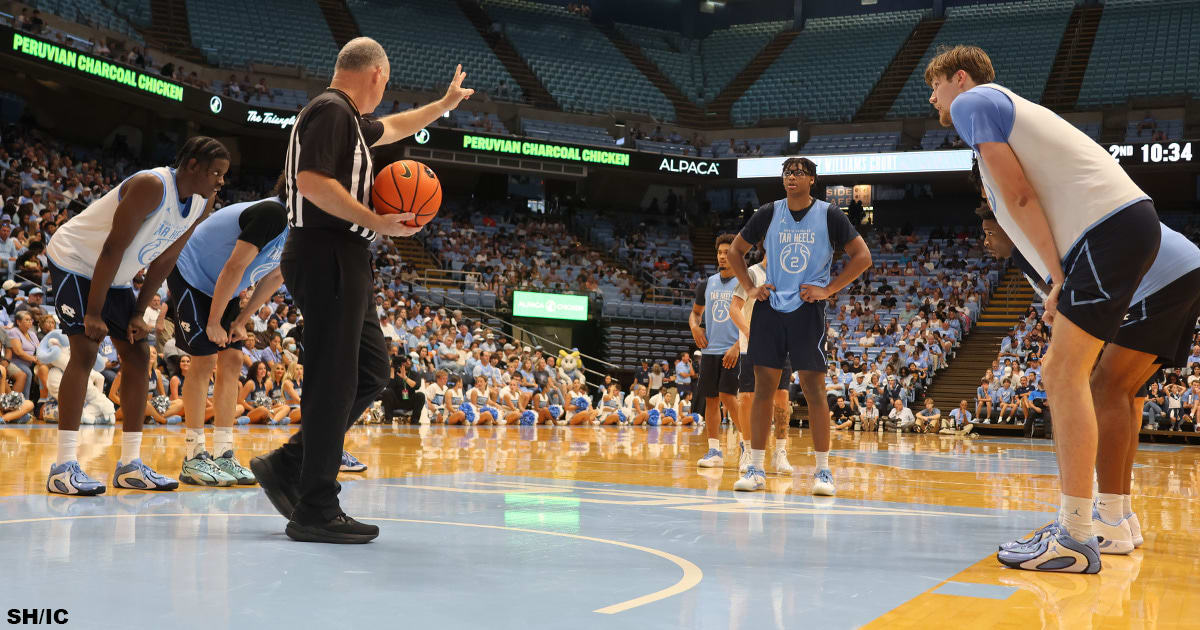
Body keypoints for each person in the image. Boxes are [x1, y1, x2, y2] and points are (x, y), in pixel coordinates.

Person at [930, 45, 1170, 572]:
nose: (934, 99)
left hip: (1106, 233)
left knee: (1063, 374)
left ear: (960, 78)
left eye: (935, 86)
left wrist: (1059, 277)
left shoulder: (974, 103)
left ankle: (1076, 535)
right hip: (1117, 231)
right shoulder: (1005, 109)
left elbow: (1019, 195)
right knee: (1070, 374)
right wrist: (1058, 279)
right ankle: (1093, 523)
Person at [251, 37, 473, 544]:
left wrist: (443, 105)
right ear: (376, 74)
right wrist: (376, 220)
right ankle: (315, 507)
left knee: (371, 371)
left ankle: (289, 463)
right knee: (333, 379)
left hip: (341, 254)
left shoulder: (349, 119)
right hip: (326, 249)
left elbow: (395, 126)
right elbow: (311, 181)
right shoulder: (331, 110)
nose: (384, 93)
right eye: (386, 83)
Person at [979, 183, 1200, 557]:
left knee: (1105, 390)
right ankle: (1121, 513)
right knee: (1126, 394)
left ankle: (1109, 519)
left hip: (1159, 278)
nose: (985, 241)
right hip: (1181, 267)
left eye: (989, 231)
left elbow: (1078, 307)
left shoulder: (1028, 247)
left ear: (1009, 225)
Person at [44, 136, 229, 495]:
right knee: (85, 349)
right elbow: (112, 247)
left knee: (139, 354)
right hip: (76, 260)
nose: (221, 181)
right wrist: (93, 312)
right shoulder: (151, 185)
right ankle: (63, 466)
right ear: (192, 166)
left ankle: (130, 465)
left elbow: (166, 259)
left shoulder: (203, 201)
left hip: (115, 275)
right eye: (216, 173)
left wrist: (139, 312)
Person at [727, 157, 871, 493]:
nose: (791, 177)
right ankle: (756, 468)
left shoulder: (829, 214)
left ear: (812, 180)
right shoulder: (768, 212)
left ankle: (823, 472)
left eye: (799, 173)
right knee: (763, 390)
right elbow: (736, 251)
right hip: (770, 309)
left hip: (808, 310)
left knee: (814, 390)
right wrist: (750, 288)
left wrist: (829, 289)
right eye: (787, 173)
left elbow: (863, 256)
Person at [169, 180, 291, 486]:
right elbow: (234, 267)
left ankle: (223, 452)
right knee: (204, 360)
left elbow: (276, 276)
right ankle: (194, 456)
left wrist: (241, 320)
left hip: (225, 287)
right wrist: (214, 321)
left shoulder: (299, 229)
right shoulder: (272, 213)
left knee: (234, 360)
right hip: (192, 274)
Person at [730, 248, 793, 474]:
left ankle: (780, 452)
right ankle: (747, 450)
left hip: (781, 346)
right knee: (747, 397)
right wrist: (749, 332)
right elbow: (734, 308)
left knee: (782, 396)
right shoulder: (751, 274)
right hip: (752, 346)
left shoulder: (788, 276)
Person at [690, 234, 744, 469]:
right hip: (710, 351)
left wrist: (737, 346)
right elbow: (695, 313)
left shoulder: (745, 283)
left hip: (734, 351)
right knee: (711, 400)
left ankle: (747, 445)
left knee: (729, 398)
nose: (722, 257)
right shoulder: (707, 284)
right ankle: (714, 451)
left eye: (727, 252)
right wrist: (695, 328)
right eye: (720, 253)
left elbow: (752, 320)